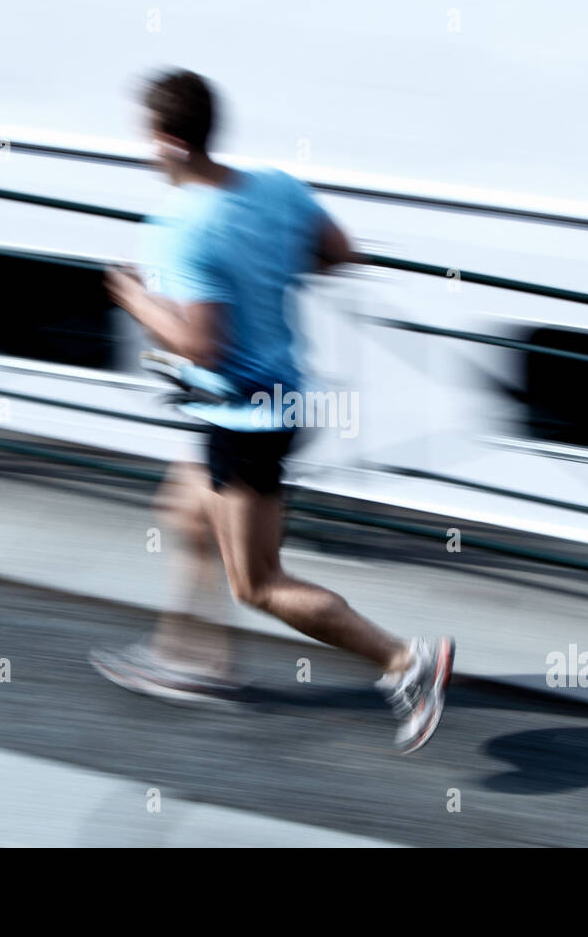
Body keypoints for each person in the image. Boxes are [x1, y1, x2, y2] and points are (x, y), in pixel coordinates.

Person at [93, 69, 453, 754]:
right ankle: (195, 659)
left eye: (145, 139)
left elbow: (204, 344)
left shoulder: (177, 228)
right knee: (182, 511)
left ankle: (407, 662)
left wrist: (134, 297)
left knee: (257, 583)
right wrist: (265, 262)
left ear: (168, 142)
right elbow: (341, 253)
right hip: (275, 399)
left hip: (245, 422)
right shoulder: (277, 185)